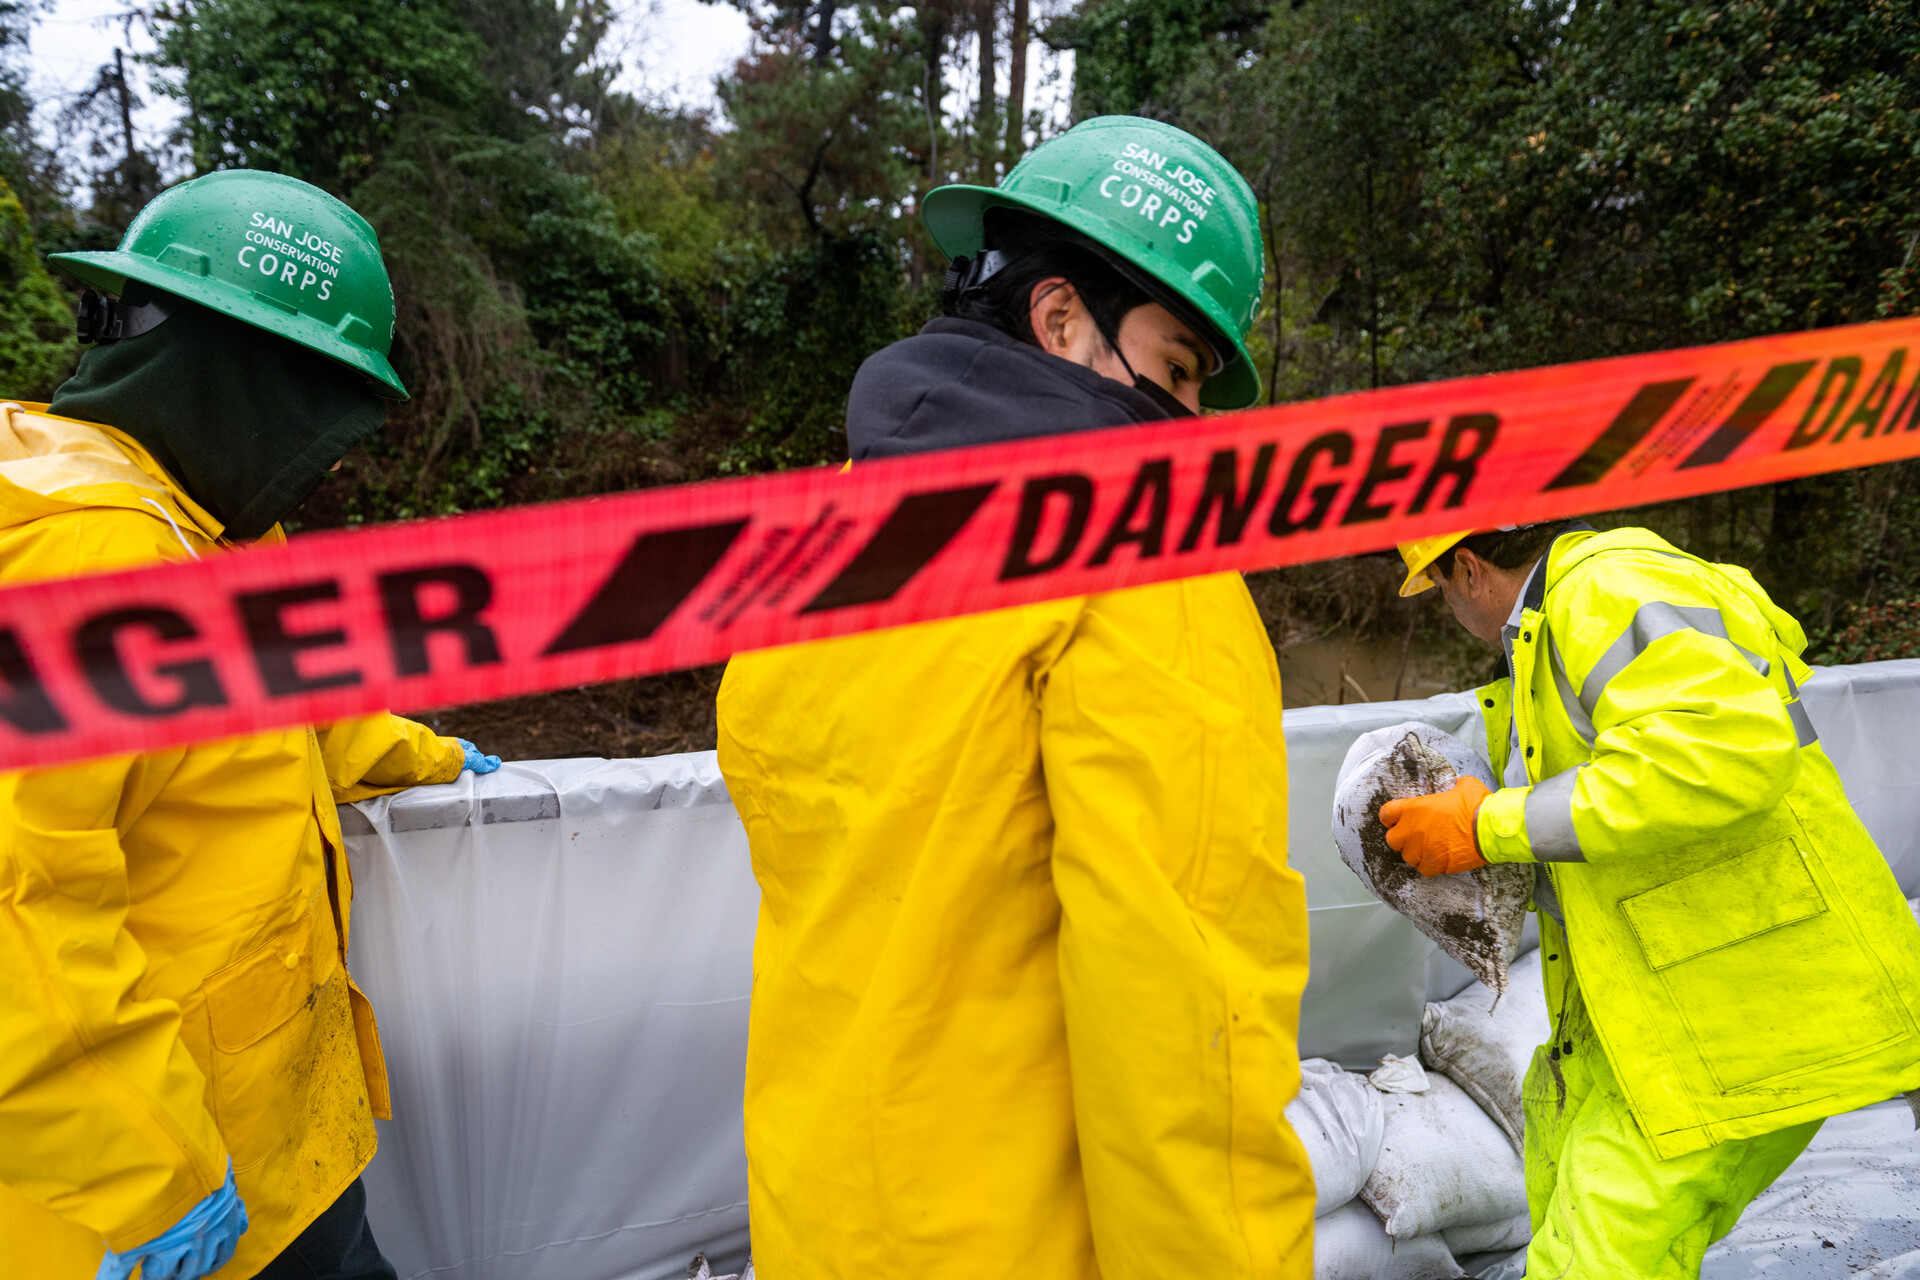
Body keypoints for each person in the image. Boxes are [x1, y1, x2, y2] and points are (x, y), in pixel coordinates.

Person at [716, 116, 1314, 1278]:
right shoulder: (1144, 567)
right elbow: (1187, 1037)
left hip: (825, 1218)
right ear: (1058, 319)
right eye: (1180, 368)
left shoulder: (819, 539)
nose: (1188, 419)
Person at [0, 170, 501, 1280]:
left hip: (273, 1148)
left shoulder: (205, 526)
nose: (328, 451)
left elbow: (283, 712)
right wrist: (150, 1178)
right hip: (152, 1200)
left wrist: (416, 754)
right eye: (322, 396)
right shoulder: (88, 557)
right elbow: (21, 912)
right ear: (239, 373)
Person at [1383, 522, 1920, 1279]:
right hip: (1678, 993)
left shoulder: (1603, 592)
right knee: (1564, 1157)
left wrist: (1486, 824)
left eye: (1437, 587)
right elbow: (1637, 814)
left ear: (1468, 570)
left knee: (1599, 1257)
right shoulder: (1573, 617)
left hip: (1738, 1006)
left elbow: (1717, 762)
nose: (1448, 609)